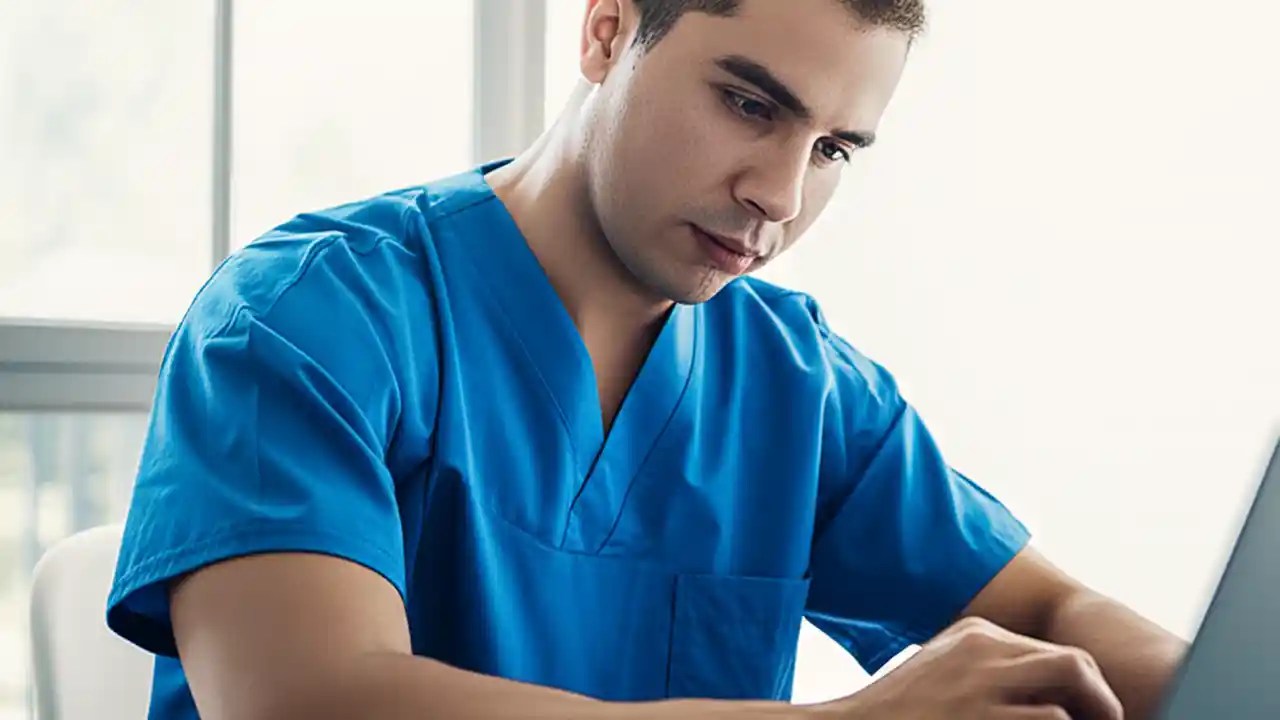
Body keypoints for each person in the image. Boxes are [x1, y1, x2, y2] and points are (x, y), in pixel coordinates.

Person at [107, 0, 1187, 718]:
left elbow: (1047, 617)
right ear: (605, 29)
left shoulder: (794, 386)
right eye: (748, 104)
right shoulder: (303, 320)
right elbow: (311, 699)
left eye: (831, 151)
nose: (779, 193)